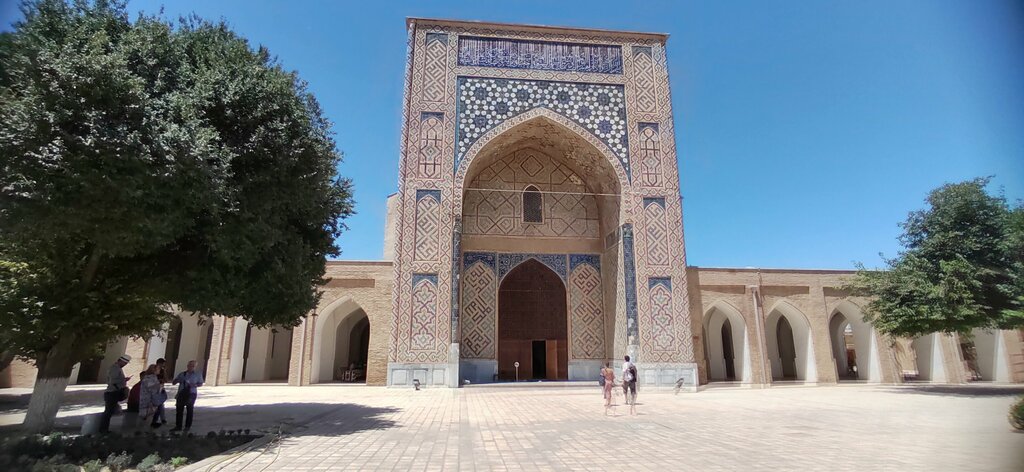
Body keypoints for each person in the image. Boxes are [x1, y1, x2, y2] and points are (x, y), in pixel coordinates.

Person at [98, 354, 132, 434]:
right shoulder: (115, 368)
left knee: (110, 411)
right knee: (108, 412)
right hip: (112, 392)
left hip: (113, 392)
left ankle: (104, 428)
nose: (125, 365)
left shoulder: (117, 368)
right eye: (125, 363)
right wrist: (121, 386)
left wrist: (124, 380)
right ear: (121, 361)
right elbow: (113, 381)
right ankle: (103, 429)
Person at [171, 360, 204, 432]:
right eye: (189, 365)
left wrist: (194, 385)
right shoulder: (182, 374)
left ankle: (187, 426)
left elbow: (200, 383)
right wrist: (177, 380)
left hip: (191, 393)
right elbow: (174, 382)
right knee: (179, 410)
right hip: (181, 393)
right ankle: (178, 426)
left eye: (193, 366)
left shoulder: (197, 374)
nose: (191, 367)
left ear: (195, 367)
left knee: (189, 409)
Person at [139, 364, 166, 428]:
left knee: (149, 414)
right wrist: (160, 387)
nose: (159, 370)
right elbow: (152, 388)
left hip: (146, 398)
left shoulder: (148, 377)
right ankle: (144, 431)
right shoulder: (150, 378)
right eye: (158, 369)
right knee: (148, 415)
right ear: (154, 370)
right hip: (149, 399)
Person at [155, 358, 168, 424]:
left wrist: (165, 371)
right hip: (154, 389)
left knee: (160, 404)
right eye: (163, 364)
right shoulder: (153, 370)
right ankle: (157, 419)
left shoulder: (162, 371)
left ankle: (162, 419)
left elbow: (166, 380)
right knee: (157, 404)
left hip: (160, 389)